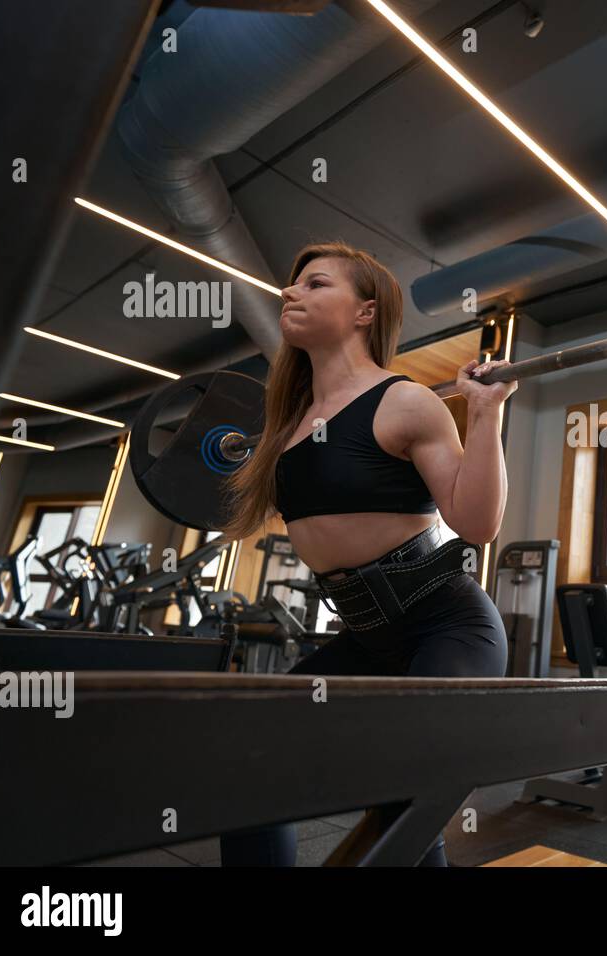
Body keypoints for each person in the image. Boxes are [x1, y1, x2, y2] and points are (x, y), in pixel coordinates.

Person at [215, 240, 515, 866]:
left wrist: (483, 415)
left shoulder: (405, 401)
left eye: (315, 283)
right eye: (291, 285)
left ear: (364, 313)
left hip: (446, 628)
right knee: (246, 769)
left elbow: (477, 522)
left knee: (404, 797)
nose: (290, 293)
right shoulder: (286, 430)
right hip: (367, 637)